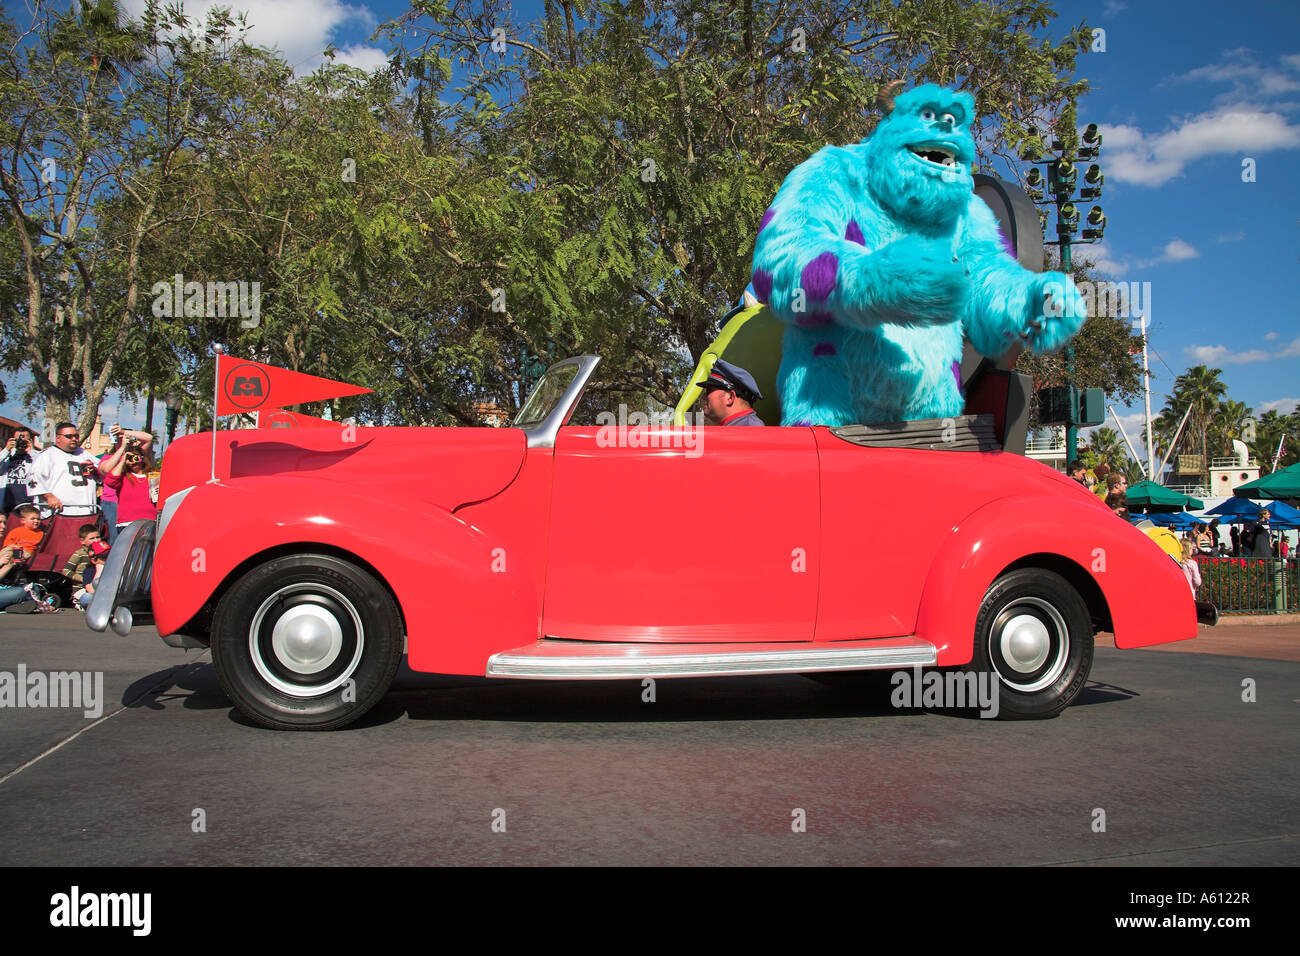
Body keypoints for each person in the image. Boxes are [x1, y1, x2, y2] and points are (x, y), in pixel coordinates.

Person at [29, 422, 100, 517]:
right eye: (69, 436)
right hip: (60, 512)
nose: (74, 439)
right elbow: (34, 478)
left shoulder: (84, 453)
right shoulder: (47, 456)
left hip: (86, 510)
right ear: (58, 438)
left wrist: (95, 470)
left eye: (76, 436)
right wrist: (48, 496)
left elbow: (103, 472)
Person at [98, 429, 158, 535]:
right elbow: (110, 477)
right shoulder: (112, 463)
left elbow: (148, 438)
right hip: (115, 508)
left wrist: (123, 431)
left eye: (136, 458)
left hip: (149, 521)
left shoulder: (153, 475)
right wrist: (123, 454)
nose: (132, 461)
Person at [699, 359, 765, 426]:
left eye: (708, 391)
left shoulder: (751, 429)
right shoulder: (741, 426)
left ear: (730, 397)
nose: (703, 397)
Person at [59, 524, 103, 610]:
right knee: (87, 597)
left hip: (96, 587)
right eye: (92, 538)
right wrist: (82, 579)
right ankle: (78, 602)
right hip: (81, 588)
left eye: (98, 537)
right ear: (82, 541)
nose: (96, 540)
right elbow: (66, 570)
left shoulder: (103, 553)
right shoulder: (79, 554)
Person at [0, 504, 43, 582]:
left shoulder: (41, 534)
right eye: (32, 519)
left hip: (26, 553)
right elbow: (7, 545)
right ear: (23, 520)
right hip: (12, 550)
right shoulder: (16, 531)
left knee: (12, 561)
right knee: (6, 555)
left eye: (38, 519)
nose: (36, 521)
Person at [0, 427, 38, 516]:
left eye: (24, 440)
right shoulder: (7, 456)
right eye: (17, 440)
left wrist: (31, 451)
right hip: (8, 505)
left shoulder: (36, 456)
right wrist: (6, 450)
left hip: (29, 506)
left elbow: (43, 467)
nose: (21, 443)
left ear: (30, 441)